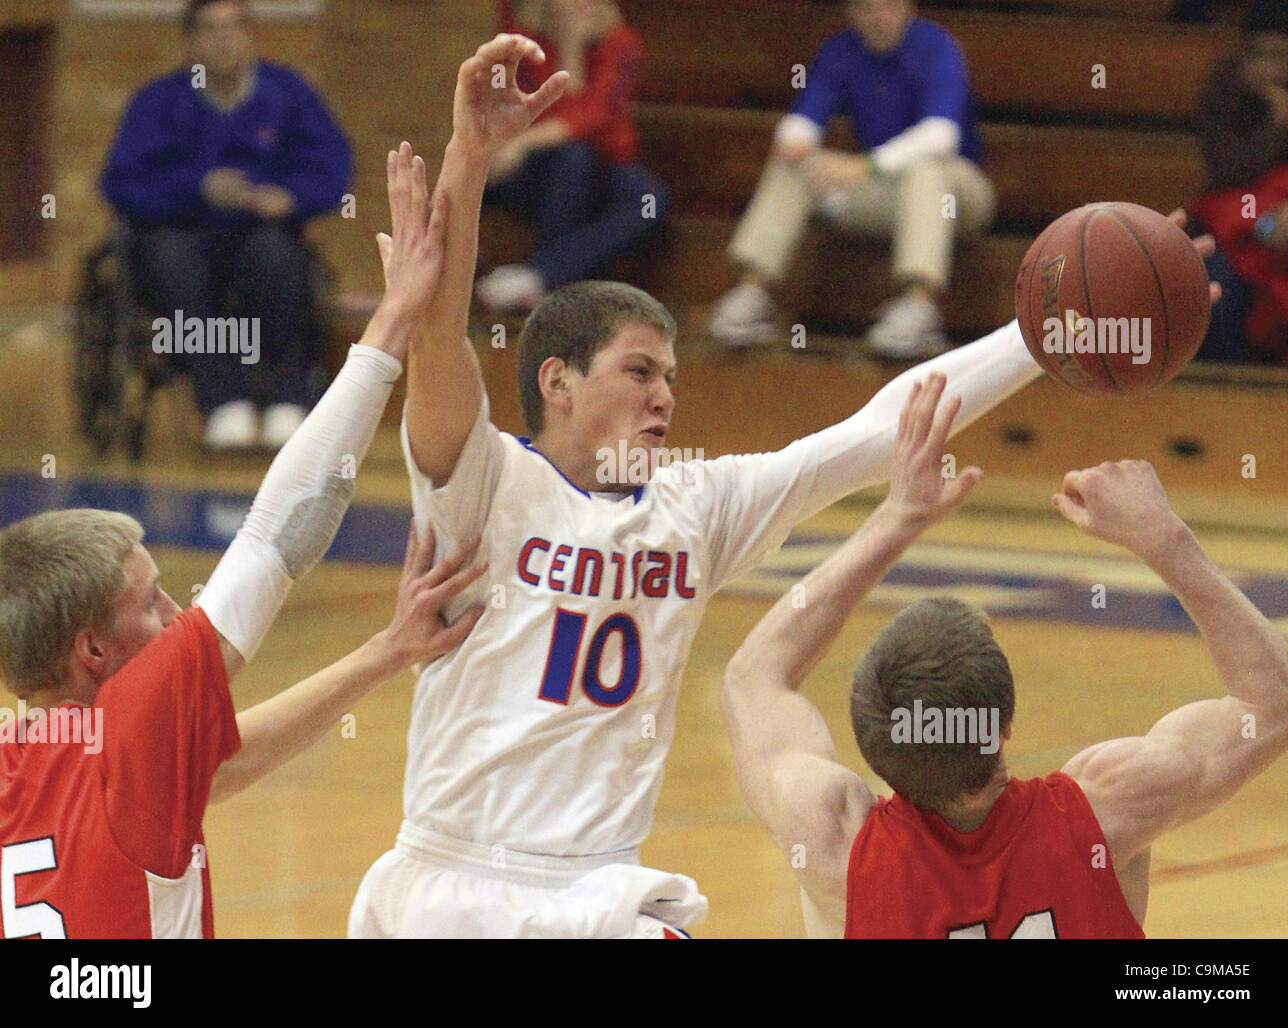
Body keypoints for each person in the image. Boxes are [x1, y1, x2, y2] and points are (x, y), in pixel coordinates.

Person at [347, 33, 1056, 940]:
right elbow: (442, 341)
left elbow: (877, 429)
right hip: (454, 884)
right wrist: (470, 156)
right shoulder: (482, 481)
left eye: (672, 376)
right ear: (557, 381)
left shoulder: (698, 505)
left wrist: (1039, 339)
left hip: (597, 892)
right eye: (640, 372)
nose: (665, 397)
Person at [0, 144, 481, 938]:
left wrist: (384, 653)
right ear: (91, 653)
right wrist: (393, 322)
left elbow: (217, 769)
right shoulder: (130, 731)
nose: (174, 606)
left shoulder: (37, 751)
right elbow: (274, 536)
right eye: (148, 598)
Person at [720, 369, 1288, 938]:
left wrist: (896, 519)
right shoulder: (1108, 808)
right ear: (1002, 726)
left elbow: (755, 677)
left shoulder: (833, 842)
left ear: (876, 746)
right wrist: (1164, 539)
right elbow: (1277, 705)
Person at [99, 0, 352, 452]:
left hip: (260, 230)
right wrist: (198, 187)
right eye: (209, 29)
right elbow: (121, 183)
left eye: (233, 27)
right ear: (190, 40)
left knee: (276, 257)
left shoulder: (288, 93)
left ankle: (287, 398)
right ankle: (221, 401)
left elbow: (331, 169)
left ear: (250, 35)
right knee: (170, 263)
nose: (222, 38)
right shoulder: (158, 101)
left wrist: (290, 197)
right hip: (180, 232)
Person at [707, 0, 995, 359]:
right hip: (888, 196)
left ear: (908, 7)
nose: (880, 17)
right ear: (852, 12)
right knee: (795, 165)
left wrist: (863, 166)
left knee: (926, 169)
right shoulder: (840, 50)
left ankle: (918, 306)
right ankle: (751, 294)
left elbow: (941, 136)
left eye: (890, 6)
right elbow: (804, 118)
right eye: (869, 8)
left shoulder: (937, 46)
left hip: (956, 195)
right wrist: (795, 141)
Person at [474, 1, 669, 313]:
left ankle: (539, 276)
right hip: (536, 172)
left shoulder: (620, 43)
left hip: (603, 166)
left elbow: (592, 116)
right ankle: (548, 288)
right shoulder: (520, 44)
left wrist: (572, 50)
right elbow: (536, 116)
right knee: (573, 158)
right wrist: (568, 49)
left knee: (649, 200)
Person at [1195, 31, 1288, 362]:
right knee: (1216, 292)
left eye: (1284, 56)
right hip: (1235, 221)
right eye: (1264, 55)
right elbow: (1231, 172)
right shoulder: (1223, 98)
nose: (1274, 66)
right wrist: (1278, 118)